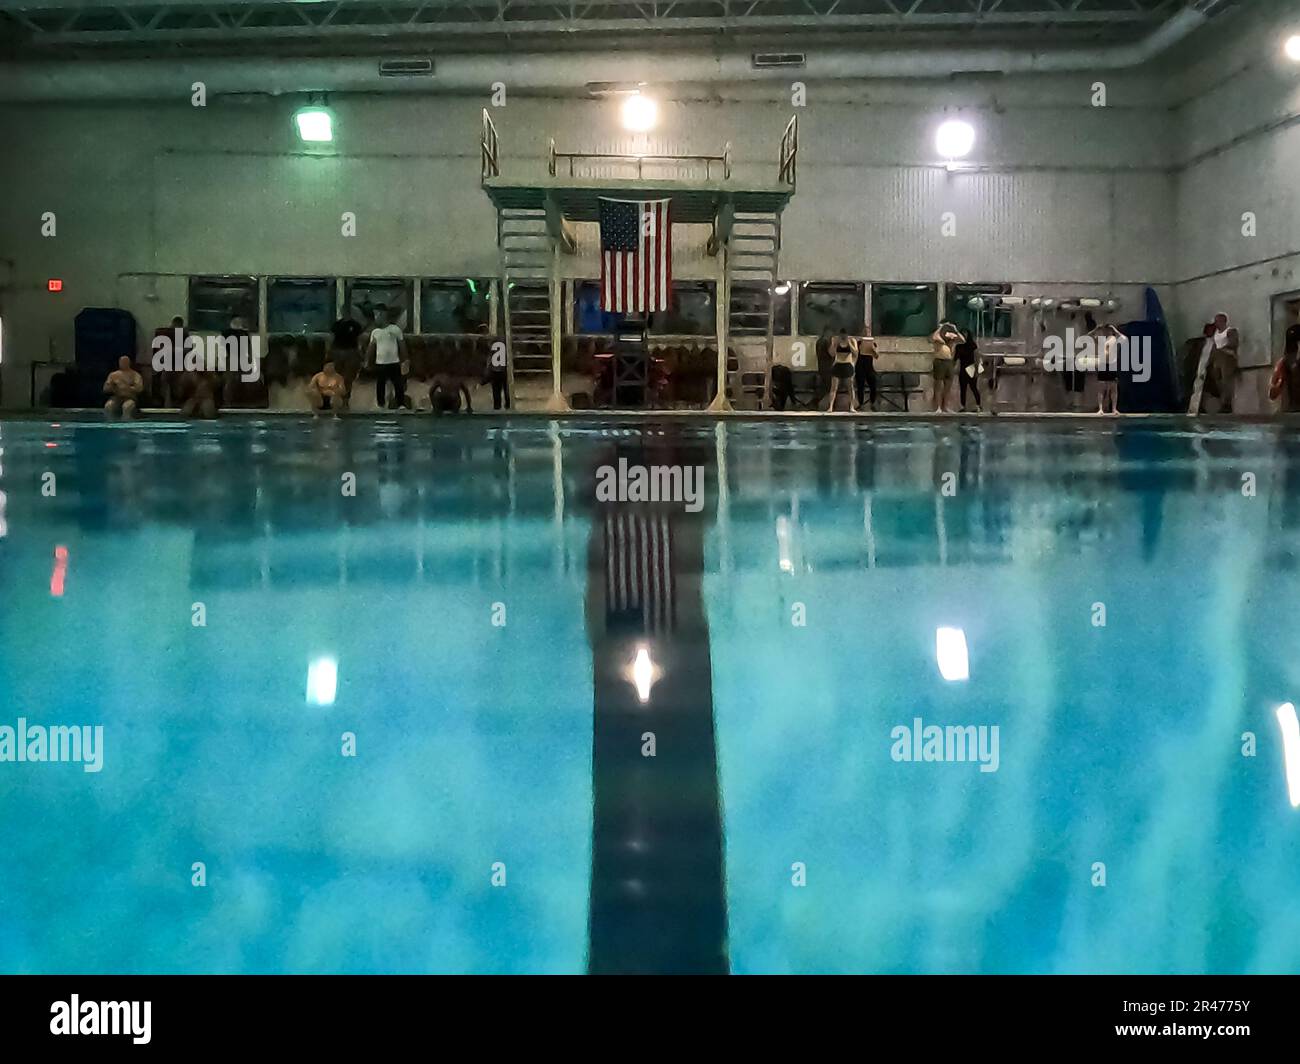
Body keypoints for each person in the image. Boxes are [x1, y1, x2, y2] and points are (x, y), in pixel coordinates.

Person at [366, 304, 408, 410]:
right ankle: (380, 404)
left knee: (398, 384)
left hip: (394, 361)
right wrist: (367, 361)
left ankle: (401, 404)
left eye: (378, 315)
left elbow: (402, 345)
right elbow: (371, 348)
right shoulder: (375, 332)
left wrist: (405, 360)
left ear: (383, 315)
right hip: (380, 362)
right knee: (380, 385)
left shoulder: (395, 329)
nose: (376, 317)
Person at [1091, 323, 1123, 415]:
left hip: (1112, 364)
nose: (1107, 331)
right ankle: (1100, 409)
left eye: (1109, 330)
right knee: (1101, 388)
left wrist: (1115, 329)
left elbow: (1124, 338)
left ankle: (1114, 409)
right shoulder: (1101, 340)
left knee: (1113, 388)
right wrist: (1096, 329)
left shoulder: (1115, 339)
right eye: (1106, 330)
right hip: (1103, 364)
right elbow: (1089, 336)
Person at [824, 328, 858, 412]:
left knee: (850, 388)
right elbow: (831, 354)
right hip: (838, 364)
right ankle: (831, 407)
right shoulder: (835, 340)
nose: (843, 337)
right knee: (833, 387)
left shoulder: (852, 340)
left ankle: (852, 407)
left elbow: (856, 353)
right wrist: (835, 344)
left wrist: (849, 343)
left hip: (848, 364)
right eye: (842, 335)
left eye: (844, 335)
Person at [931, 321, 962, 413]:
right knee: (938, 386)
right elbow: (934, 336)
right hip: (939, 361)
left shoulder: (950, 339)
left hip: (949, 362)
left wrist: (955, 329)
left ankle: (945, 407)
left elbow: (962, 340)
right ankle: (938, 408)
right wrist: (941, 327)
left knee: (948, 386)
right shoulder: (938, 339)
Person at [956, 329, 981, 412]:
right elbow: (955, 358)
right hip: (963, 369)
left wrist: (977, 370)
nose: (964, 336)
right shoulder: (959, 346)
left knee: (973, 387)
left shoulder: (972, 345)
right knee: (963, 388)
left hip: (971, 368)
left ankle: (978, 405)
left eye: (965, 334)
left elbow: (977, 357)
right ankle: (963, 406)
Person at [855, 330, 879, 411]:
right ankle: (861, 404)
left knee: (873, 385)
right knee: (860, 386)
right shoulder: (858, 343)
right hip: (860, 367)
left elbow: (876, 356)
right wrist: (860, 346)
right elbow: (854, 354)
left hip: (869, 367)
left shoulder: (872, 344)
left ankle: (872, 403)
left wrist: (873, 349)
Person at [814, 326, 833, 404]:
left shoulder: (819, 341)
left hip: (821, 366)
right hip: (828, 367)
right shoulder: (827, 341)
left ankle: (816, 401)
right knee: (829, 387)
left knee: (823, 386)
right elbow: (832, 353)